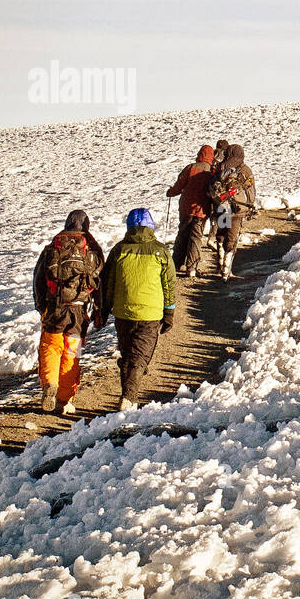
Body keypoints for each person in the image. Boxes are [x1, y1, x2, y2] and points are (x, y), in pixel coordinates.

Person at [100, 208, 175, 412]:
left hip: (123, 313)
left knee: (128, 355)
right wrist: (169, 312)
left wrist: (104, 309)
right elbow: (169, 284)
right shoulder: (160, 251)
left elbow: (108, 283)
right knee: (139, 358)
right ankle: (129, 398)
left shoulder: (119, 250)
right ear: (151, 227)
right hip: (150, 314)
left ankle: (127, 395)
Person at [32, 209, 104, 415]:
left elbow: (38, 281)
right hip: (79, 313)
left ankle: (49, 385)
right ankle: (65, 399)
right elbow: (100, 284)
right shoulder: (92, 252)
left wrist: (41, 308)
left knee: (50, 348)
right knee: (72, 354)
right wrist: (99, 311)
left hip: (55, 309)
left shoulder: (52, 248)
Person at [208, 144, 256, 280]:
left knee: (221, 234)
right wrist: (250, 204)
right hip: (238, 209)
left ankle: (220, 260)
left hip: (223, 207)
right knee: (232, 237)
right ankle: (227, 269)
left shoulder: (221, 167)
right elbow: (250, 190)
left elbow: (212, 187)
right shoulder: (245, 169)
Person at [166, 144, 215, 277]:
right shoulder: (212, 172)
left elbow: (179, 185)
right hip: (202, 209)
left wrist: (170, 192)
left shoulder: (190, 168)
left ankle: (176, 263)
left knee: (182, 234)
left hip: (186, 208)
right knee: (196, 237)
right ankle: (191, 267)